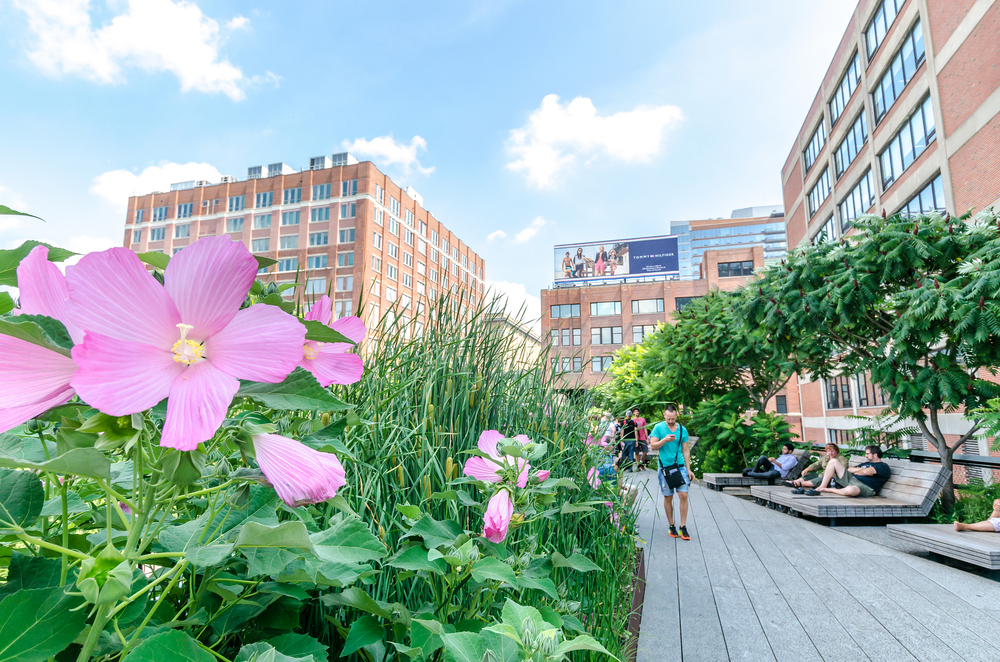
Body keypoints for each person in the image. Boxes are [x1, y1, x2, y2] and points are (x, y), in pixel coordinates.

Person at [649, 405, 692, 540]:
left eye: (673, 419)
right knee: (668, 497)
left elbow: (685, 450)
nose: (671, 421)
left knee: (683, 495)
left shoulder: (682, 429)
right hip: (665, 468)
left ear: (676, 416)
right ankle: (671, 524)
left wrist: (689, 469)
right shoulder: (658, 428)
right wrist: (664, 440)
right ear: (664, 416)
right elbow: (653, 445)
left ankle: (683, 527)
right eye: (669, 419)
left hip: (679, 467)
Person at [803, 445, 890, 497]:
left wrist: (859, 471)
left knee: (850, 491)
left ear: (875, 455)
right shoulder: (865, 464)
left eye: (867, 454)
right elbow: (849, 469)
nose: (865, 455)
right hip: (851, 479)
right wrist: (861, 470)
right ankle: (822, 486)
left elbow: (865, 472)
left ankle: (828, 489)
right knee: (833, 461)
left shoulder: (882, 466)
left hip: (865, 487)